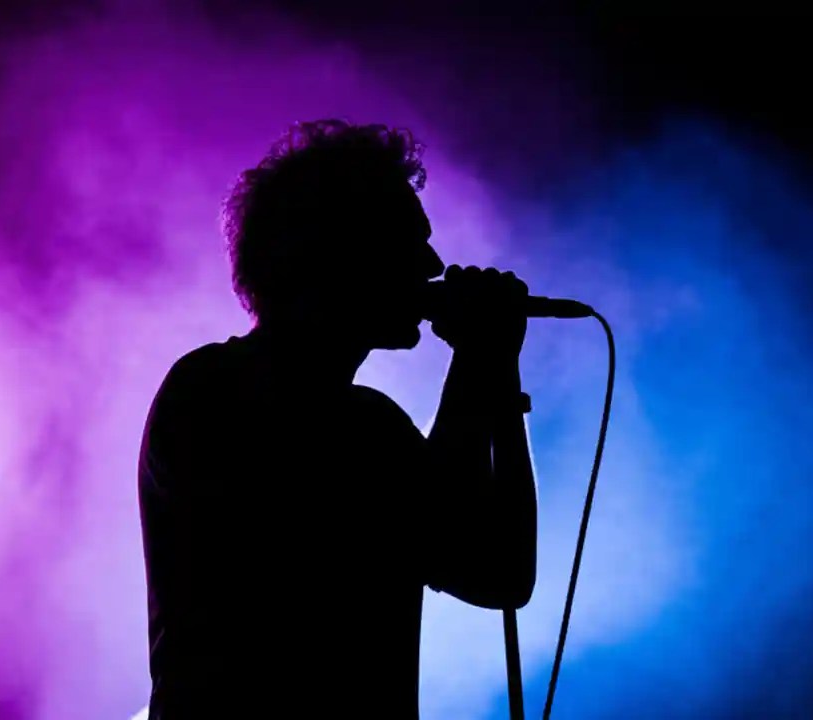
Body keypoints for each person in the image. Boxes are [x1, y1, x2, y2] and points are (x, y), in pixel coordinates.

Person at [137, 119, 537, 718]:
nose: (432, 264)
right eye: (409, 241)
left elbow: (499, 571)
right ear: (338, 253)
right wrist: (479, 365)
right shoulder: (213, 392)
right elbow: (409, 514)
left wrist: (494, 375)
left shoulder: (373, 423)